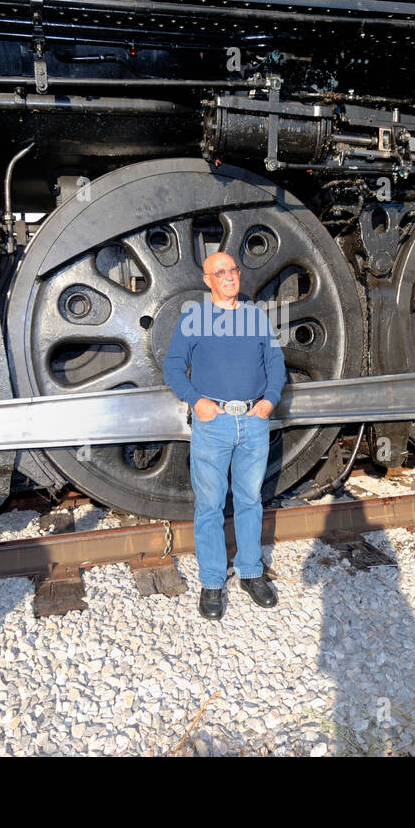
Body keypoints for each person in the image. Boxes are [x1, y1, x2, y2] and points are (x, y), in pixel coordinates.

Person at [162, 250, 287, 619]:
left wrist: (268, 402)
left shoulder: (256, 318)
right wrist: (195, 401)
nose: (230, 276)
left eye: (232, 269)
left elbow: (275, 363)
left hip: (253, 421)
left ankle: (251, 572)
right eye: (220, 272)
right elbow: (172, 367)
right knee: (210, 506)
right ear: (208, 280)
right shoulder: (195, 319)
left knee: (250, 500)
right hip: (212, 421)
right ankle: (213, 581)